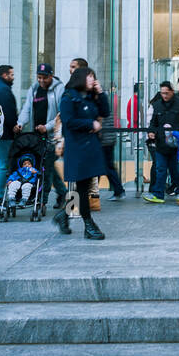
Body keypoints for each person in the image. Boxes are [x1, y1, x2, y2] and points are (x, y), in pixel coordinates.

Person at [56, 65, 106, 239]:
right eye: (90, 76)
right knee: (83, 187)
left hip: (90, 147)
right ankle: (88, 224)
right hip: (77, 148)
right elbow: (68, 121)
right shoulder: (68, 97)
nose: (93, 79)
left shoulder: (91, 97)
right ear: (81, 78)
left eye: (93, 76)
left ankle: (64, 215)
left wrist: (101, 94)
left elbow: (104, 111)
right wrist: (90, 124)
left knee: (82, 186)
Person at [16, 63, 66, 208]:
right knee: (46, 166)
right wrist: (20, 123)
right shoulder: (34, 89)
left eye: (44, 77)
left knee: (47, 166)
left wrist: (47, 126)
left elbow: (61, 113)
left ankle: (41, 200)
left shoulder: (59, 89)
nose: (41, 81)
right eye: (39, 77)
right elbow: (26, 109)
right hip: (36, 135)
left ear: (51, 76)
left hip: (52, 136)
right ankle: (62, 193)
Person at [144, 81, 179, 203]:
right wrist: (151, 131)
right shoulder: (157, 105)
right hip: (160, 144)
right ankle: (158, 194)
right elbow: (153, 122)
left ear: (172, 91)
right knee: (160, 169)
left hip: (176, 145)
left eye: (166, 93)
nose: (164, 96)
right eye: (162, 93)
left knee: (176, 171)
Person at [0, 64, 19, 210]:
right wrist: (14, 126)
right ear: (5, 75)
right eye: (12, 75)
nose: (13, 78)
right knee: (2, 164)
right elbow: (8, 112)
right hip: (3, 134)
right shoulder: (4, 90)